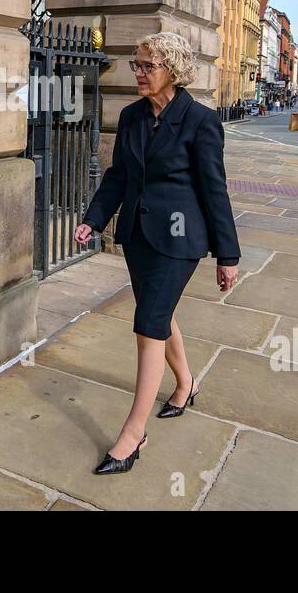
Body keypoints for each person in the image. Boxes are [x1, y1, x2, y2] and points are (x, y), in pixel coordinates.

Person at [73, 32, 240, 475]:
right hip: (138, 235)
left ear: (173, 69)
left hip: (180, 241)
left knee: (148, 325)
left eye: (147, 65)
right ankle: (185, 383)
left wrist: (228, 255)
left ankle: (133, 433)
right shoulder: (130, 116)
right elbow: (118, 175)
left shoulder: (201, 121)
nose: (139, 73)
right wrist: (94, 218)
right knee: (158, 313)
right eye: (136, 64)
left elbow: (214, 191)